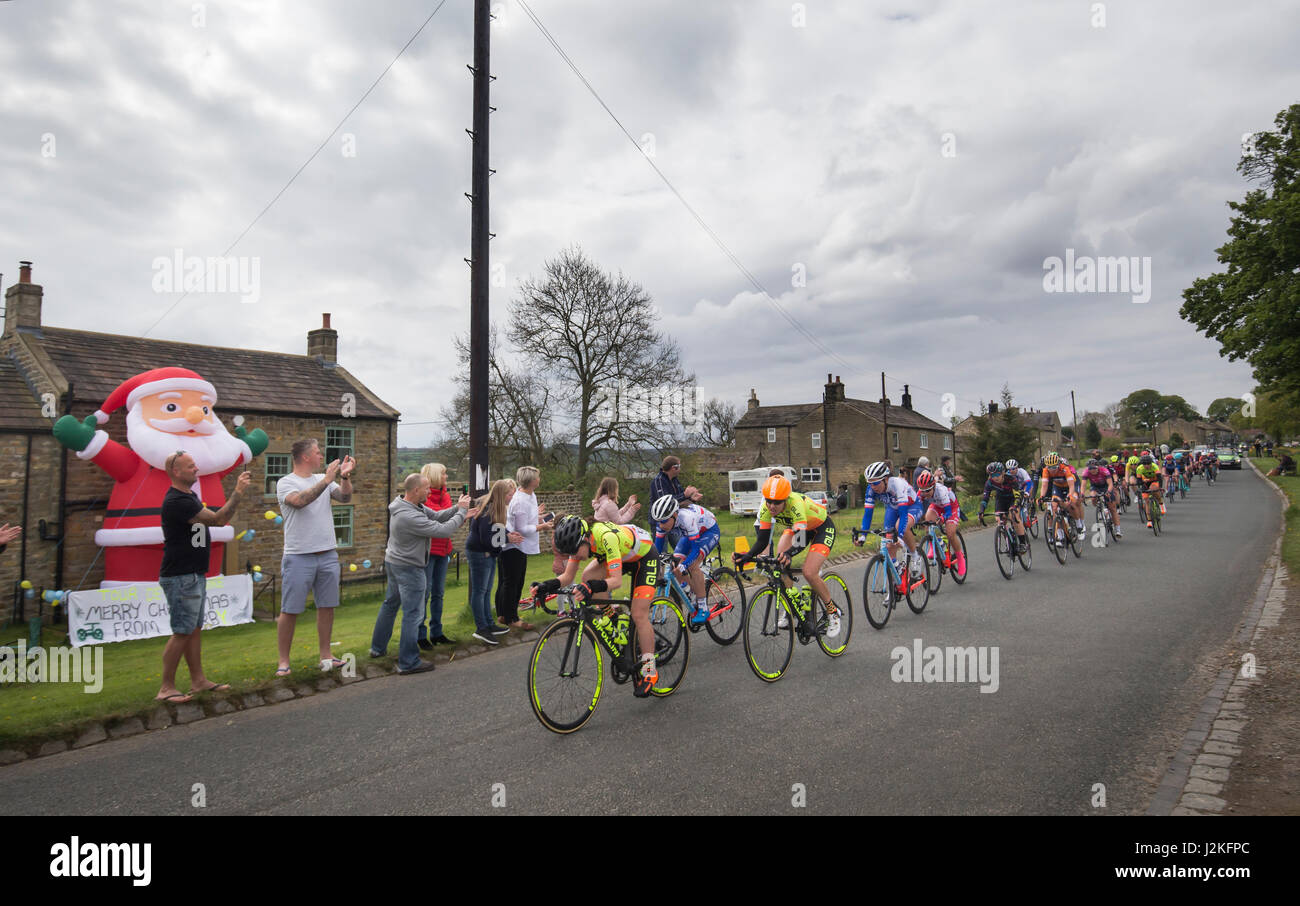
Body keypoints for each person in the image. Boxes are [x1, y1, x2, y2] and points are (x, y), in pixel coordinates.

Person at [156, 452, 251, 703]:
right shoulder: (178, 501)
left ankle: (198, 680)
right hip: (180, 575)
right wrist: (238, 491)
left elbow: (202, 529)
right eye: (191, 466)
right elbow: (218, 520)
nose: (196, 468)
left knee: (193, 629)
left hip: (193, 573)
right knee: (182, 630)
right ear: (176, 472)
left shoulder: (189, 497)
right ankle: (166, 688)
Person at [541, 515, 662, 697]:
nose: (575, 556)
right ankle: (615, 617)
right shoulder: (580, 542)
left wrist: (591, 587)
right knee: (587, 577)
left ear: (586, 539)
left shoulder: (606, 537)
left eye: (575, 551)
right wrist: (545, 586)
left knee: (638, 614)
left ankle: (650, 671)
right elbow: (567, 577)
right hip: (621, 556)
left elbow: (616, 580)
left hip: (644, 557)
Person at [369, 473, 472, 674]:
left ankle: (377, 649)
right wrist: (461, 513)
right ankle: (408, 661)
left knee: (390, 605)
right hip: (409, 568)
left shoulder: (407, 505)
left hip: (394, 562)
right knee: (413, 613)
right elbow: (441, 530)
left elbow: (436, 516)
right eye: (426, 488)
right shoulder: (409, 516)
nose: (429, 491)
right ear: (416, 490)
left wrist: (458, 509)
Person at [275, 438, 355, 676]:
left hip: (327, 553)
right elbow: (300, 501)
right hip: (298, 556)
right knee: (290, 610)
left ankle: (326, 655)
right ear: (306, 457)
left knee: (327, 606)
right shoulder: (285, 482)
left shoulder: (323, 478)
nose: (322, 456)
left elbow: (344, 498)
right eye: (318, 453)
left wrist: (344, 477)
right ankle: (283, 662)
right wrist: (327, 479)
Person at [736, 474, 843, 636]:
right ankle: (791, 607)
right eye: (768, 501)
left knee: (809, 572)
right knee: (780, 562)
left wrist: (789, 553)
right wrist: (748, 555)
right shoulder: (766, 508)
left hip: (821, 528)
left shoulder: (795, 504)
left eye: (777, 502)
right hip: (799, 530)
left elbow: (799, 541)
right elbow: (763, 540)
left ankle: (832, 612)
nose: (771, 506)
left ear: (785, 499)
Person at [466, 479, 522, 646]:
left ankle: (489, 624)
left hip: (488, 554)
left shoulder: (495, 508)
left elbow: (497, 532)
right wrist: (507, 537)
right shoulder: (488, 511)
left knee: (486, 590)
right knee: (479, 591)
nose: (512, 497)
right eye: (510, 494)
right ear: (502, 495)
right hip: (480, 554)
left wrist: (508, 535)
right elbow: (487, 539)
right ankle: (481, 628)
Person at [650, 495, 721, 625]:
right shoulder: (663, 523)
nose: (661, 525)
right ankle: (693, 590)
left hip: (709, 532)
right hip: (690, 535)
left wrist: (684, 566)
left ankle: (703, 608)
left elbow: (694, 551)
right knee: (674, 564)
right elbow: (657, 550)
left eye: (664, 521)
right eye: (658, 521)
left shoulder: (686, 518)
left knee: (692, 565)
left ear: (674, 515)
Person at [497, 466, 553, 631]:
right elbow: (522, 528)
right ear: (532, 481)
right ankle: (512, 618)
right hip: (514, 546)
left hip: (517, 545)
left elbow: (528, 518)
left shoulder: (529, 495)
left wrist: (539, 517)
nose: (539, 479)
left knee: (509, 581)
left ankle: (503, 614)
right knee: (513, 582)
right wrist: (541, 527)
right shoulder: (521, 500)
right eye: (538, 477)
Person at [418, 463, 456, 648]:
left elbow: (448, 518)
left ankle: (437, 632)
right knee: (424, 593)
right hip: (429, 551)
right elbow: (439, 518)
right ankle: (420, 634)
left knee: (438, 593)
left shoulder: (446, 495)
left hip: (443, 549)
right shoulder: (424, 498)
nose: (446, 477)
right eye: (443, 474)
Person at [649, 456, 700, 548]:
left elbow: (679, 502)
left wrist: (691, 499)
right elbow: (665, 502)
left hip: (674, 521)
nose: (680, 469)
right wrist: (685, 495)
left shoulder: (675, 480)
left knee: (682, 551)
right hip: (661, 523)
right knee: (661, 555)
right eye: (679, 466)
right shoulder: (658, 481)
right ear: (674, 468)